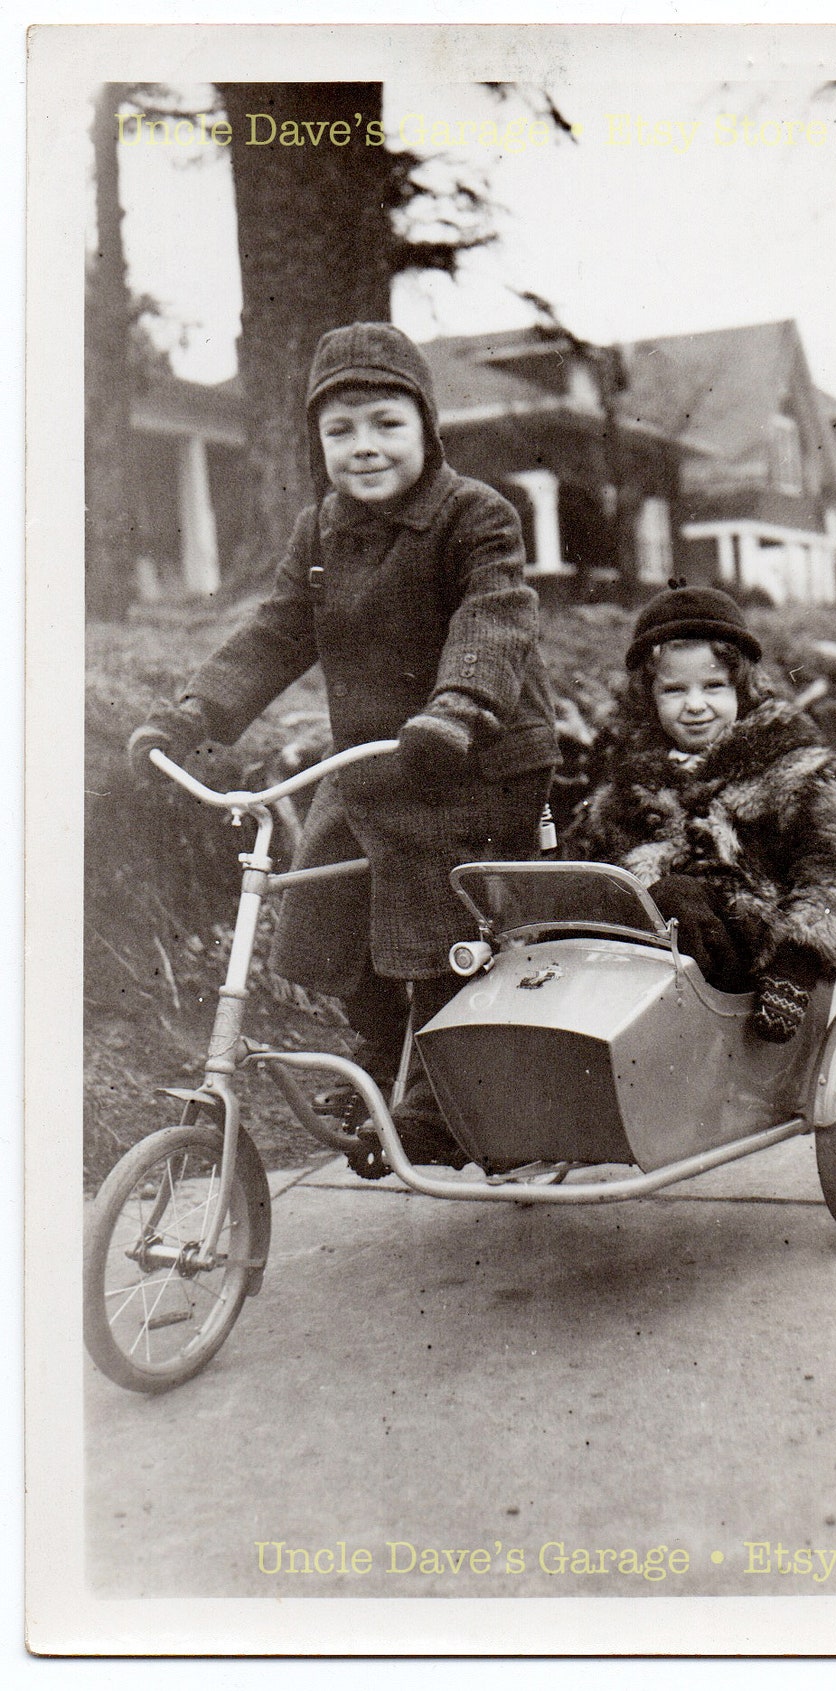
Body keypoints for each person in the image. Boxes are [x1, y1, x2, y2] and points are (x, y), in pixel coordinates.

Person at [129, 322, 559, 1171]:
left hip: (478, 752)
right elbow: (276, 631)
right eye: (341, 429)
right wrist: (193, 717)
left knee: (443, 907)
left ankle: (444, 1091)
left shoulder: (474, 515)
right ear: (318, 440)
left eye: (385, 424)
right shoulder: (321, 532)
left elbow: (493, 617)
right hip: (374, 759)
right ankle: (382, 1046)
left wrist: (460, 705)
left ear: (426, 429)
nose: (364, 448)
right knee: (325, 908)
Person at [563, 584, 836, 1043]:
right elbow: (588, 863)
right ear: (649, 698)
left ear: (744, 688)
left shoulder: (793, 769)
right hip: (644, 967)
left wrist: (794, 965)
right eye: (674, 690)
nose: (695, 705)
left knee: (676, 898)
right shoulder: (630, 778)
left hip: (754, 962)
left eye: (714, 686)